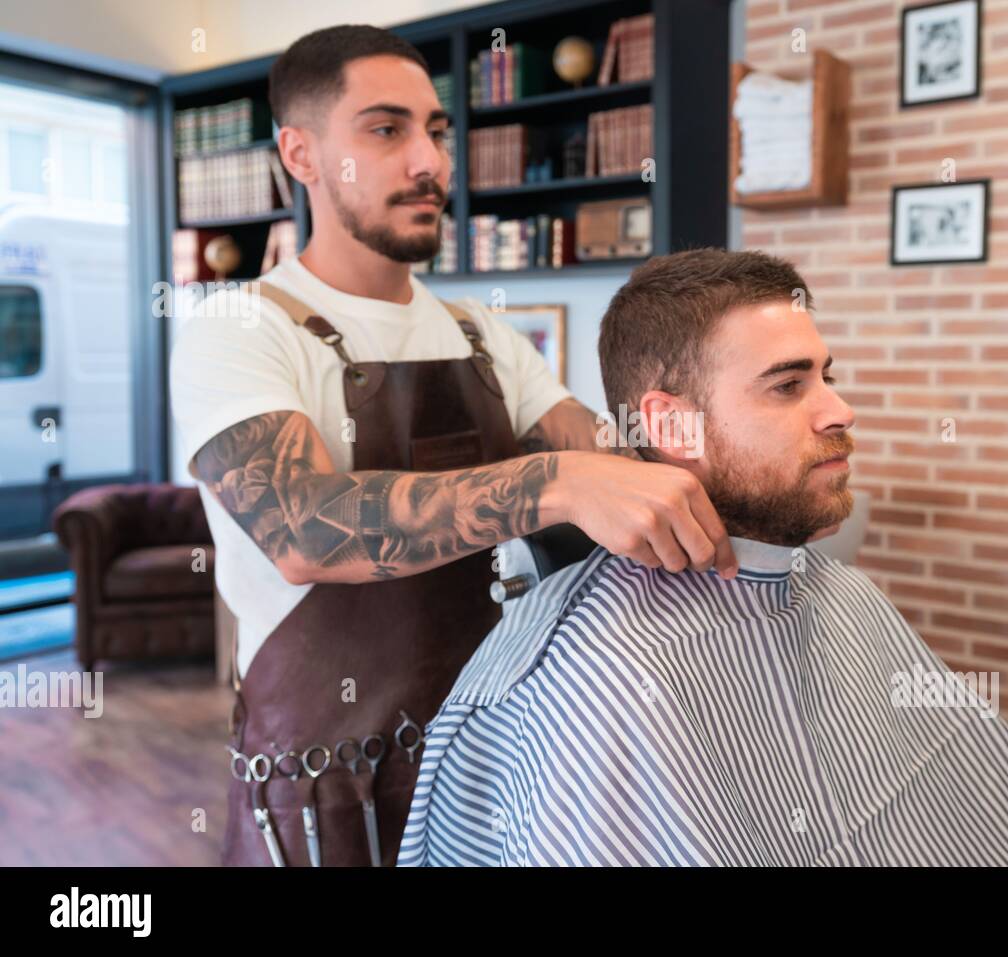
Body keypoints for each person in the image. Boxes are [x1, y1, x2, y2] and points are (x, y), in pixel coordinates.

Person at [396, 249, 1008, 867]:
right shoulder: (600, 686)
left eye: (826, 375)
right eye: (787, 386)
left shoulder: (842, 595)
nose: (840, 409)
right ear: (674, 428)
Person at [168, 25, 742, 867]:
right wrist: (553, 481)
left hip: (488, 747)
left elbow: (609, 457)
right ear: (301, 154)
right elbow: (301, 529)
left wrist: (731, 423)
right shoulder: (240, 327)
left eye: (437, 131)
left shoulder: (480, 334)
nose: (430, 162)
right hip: (332, 781)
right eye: (385, 129)